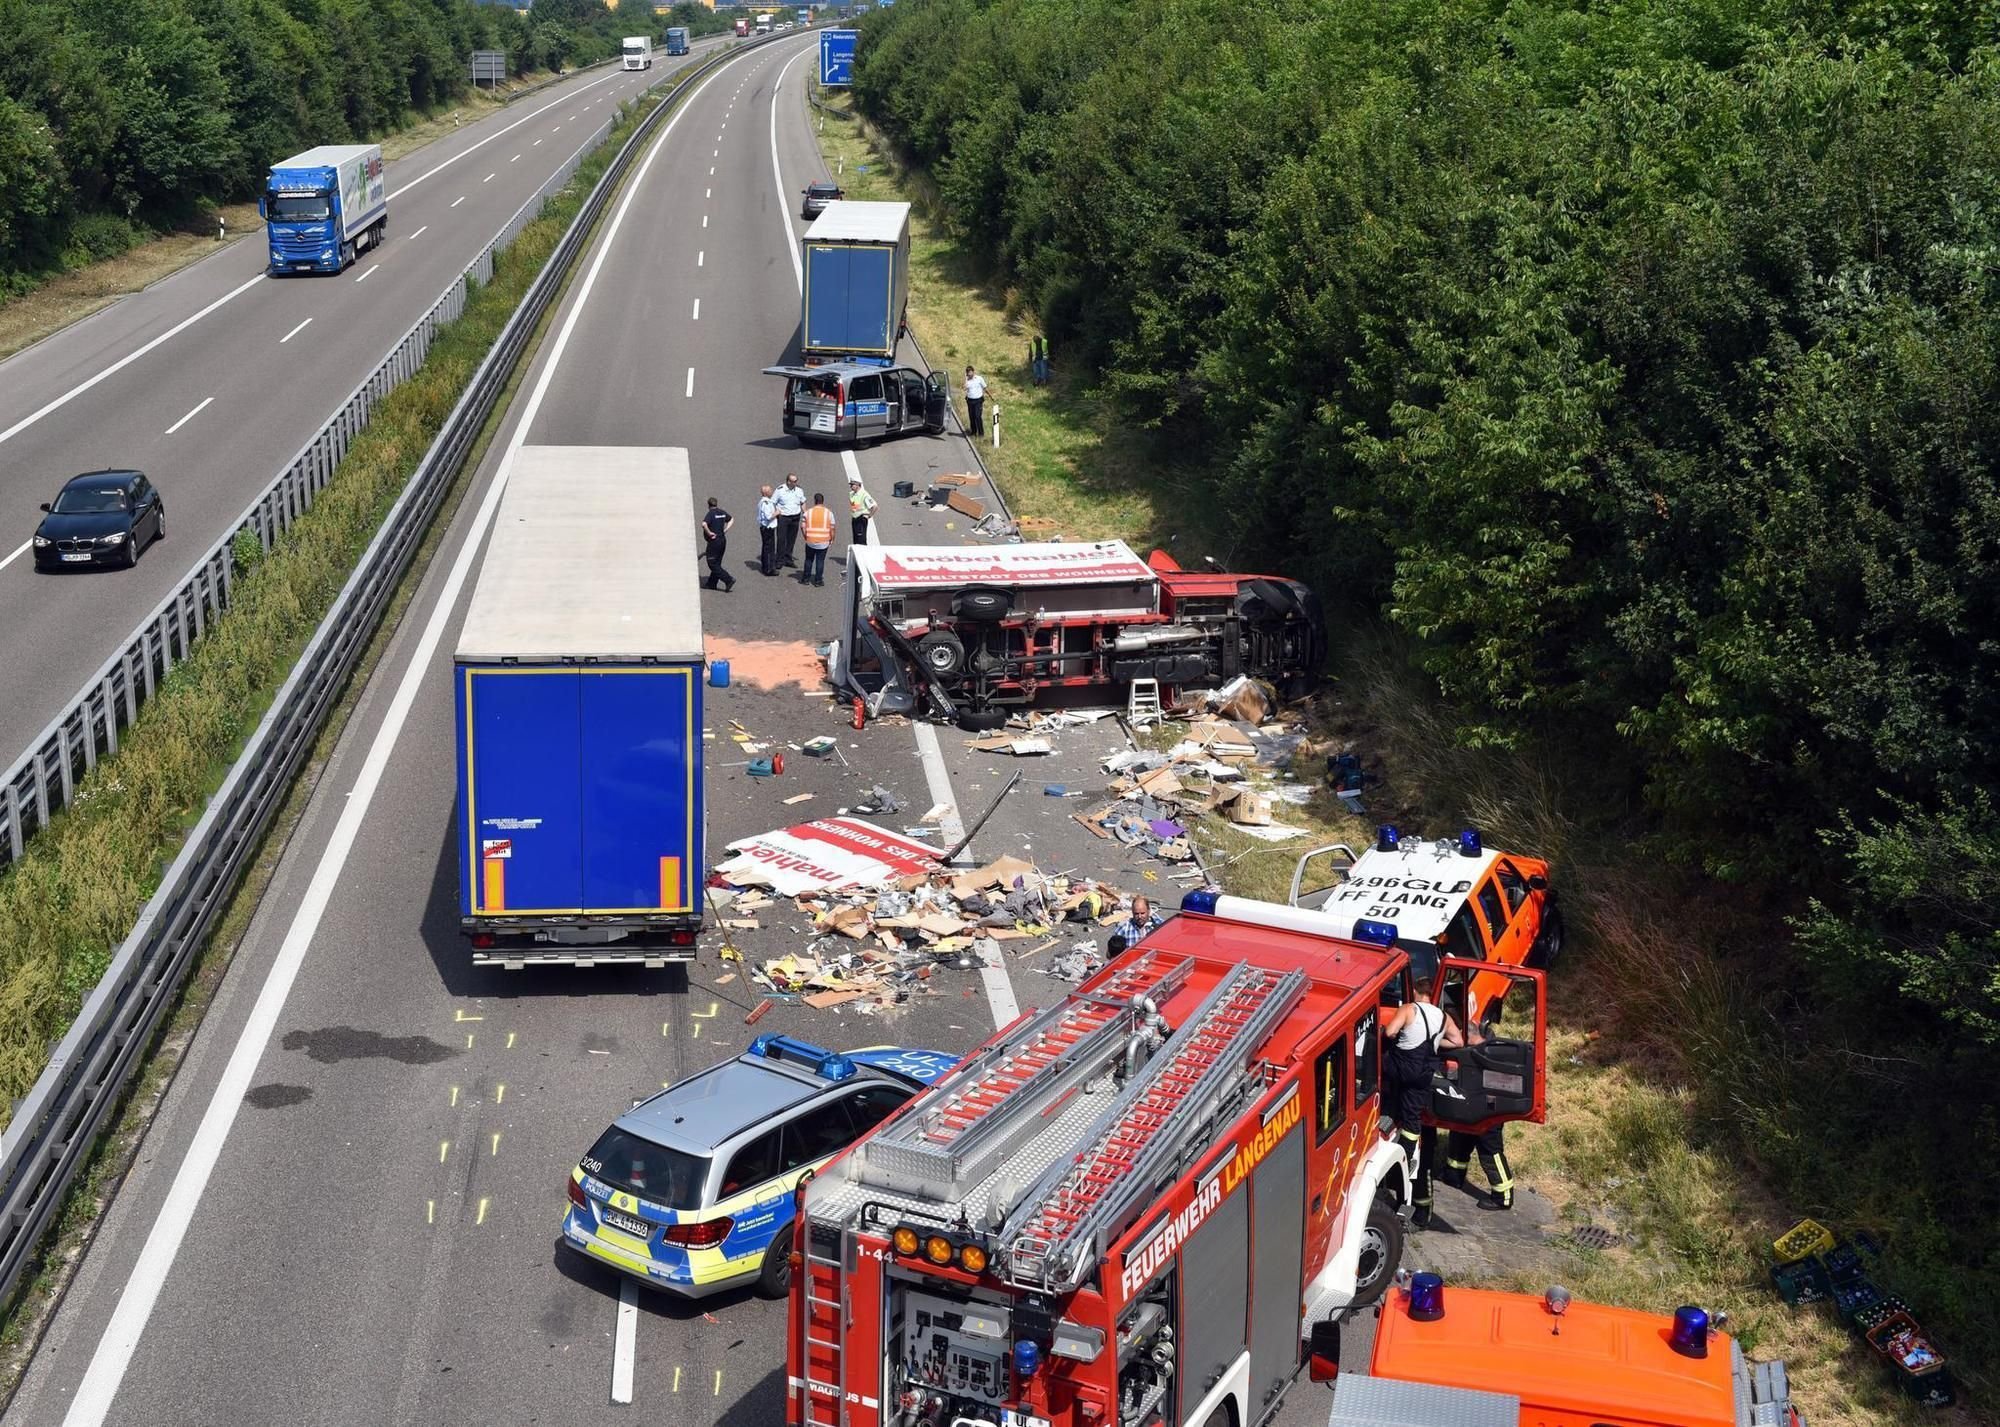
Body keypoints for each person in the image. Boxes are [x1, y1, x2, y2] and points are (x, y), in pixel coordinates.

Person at [1380, 987, 1465, 1228]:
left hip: (1402, 1068)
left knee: (1380, 1069)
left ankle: (1384, 1114)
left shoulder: (1408, 1009)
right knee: (1412, 1116)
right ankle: (1408, 1149)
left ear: (1417, 993)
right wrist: (1437, 1044)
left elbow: (1390, 1032)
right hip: (1423, 1073)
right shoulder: (1443, 1017)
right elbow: (1458, 1041)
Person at [1442, 1124, 1515, 1212]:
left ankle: (1503, 1198)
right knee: (1460, 1135)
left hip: (1490, 1112)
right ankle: (1454, 1176)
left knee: (1488, 1148)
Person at [699, 496, 735, 591]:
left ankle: (728, 579)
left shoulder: (711, 514)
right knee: (717, 562)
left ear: (709, 505)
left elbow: (704, 524)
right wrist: (726, 529)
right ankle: (712, 583)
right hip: (722, 541)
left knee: (712, 563)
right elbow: (731, 519)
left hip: (714, 542)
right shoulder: (722, 512)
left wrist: (709, 532)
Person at [800, 492, 836, 586]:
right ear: (822, 501)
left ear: (815, 501)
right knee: (820, 561)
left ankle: (806, 579)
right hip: (823, 541)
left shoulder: (808, 512)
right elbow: (832, 528)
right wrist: (832, 539)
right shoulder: (829, 513)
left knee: (808, 560)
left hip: (810, 541)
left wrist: (805, 536)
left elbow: (803, 527)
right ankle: (818, 581)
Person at [773, 472, 805, 568]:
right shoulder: (780, 490)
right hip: (783, 517)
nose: (795, 483)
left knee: (791, 539)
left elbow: (802, 502)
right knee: (781, 539)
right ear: (788, 481)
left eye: (796, 481)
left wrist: (805, 514)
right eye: (793, 481)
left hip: (795, 517)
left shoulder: (799, 490)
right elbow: (773, 502)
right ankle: (779, 560)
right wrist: (776, 512)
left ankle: (788, 558)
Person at [847, 476, 877, 547]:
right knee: (856, 540)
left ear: (857, 485)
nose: (851, 486)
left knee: (861, 540)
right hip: (855, 518)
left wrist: (869, 516)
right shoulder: (851, 494)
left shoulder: (864, 494)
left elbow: (875, 506)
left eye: (852, 485)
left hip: (861, 519)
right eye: (850, 484)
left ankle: (863, 556)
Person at [756, 483, 778, 576]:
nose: (772, 492)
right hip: (767, 528)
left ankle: (766, 566)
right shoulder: (765, 503)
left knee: (766, 547)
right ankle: (768, 569)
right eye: (770, 491)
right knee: (769, 548)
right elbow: (769, 516)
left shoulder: (766, 501)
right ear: (766, 492)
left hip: (767, 528)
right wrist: (777, 513)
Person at [963, 365, 987, 436]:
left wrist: (990, 395)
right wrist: (966, 379)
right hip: (970, 400)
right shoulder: (967, 381)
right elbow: (964, 388)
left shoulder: (979, 378)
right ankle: (973, 431)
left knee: (977, 416)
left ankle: (981, 433)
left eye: (970, 372)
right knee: (972, 416)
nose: (969, 374)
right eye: (967, 372)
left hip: (978, 401)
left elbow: (985, 387)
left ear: (973, 372)